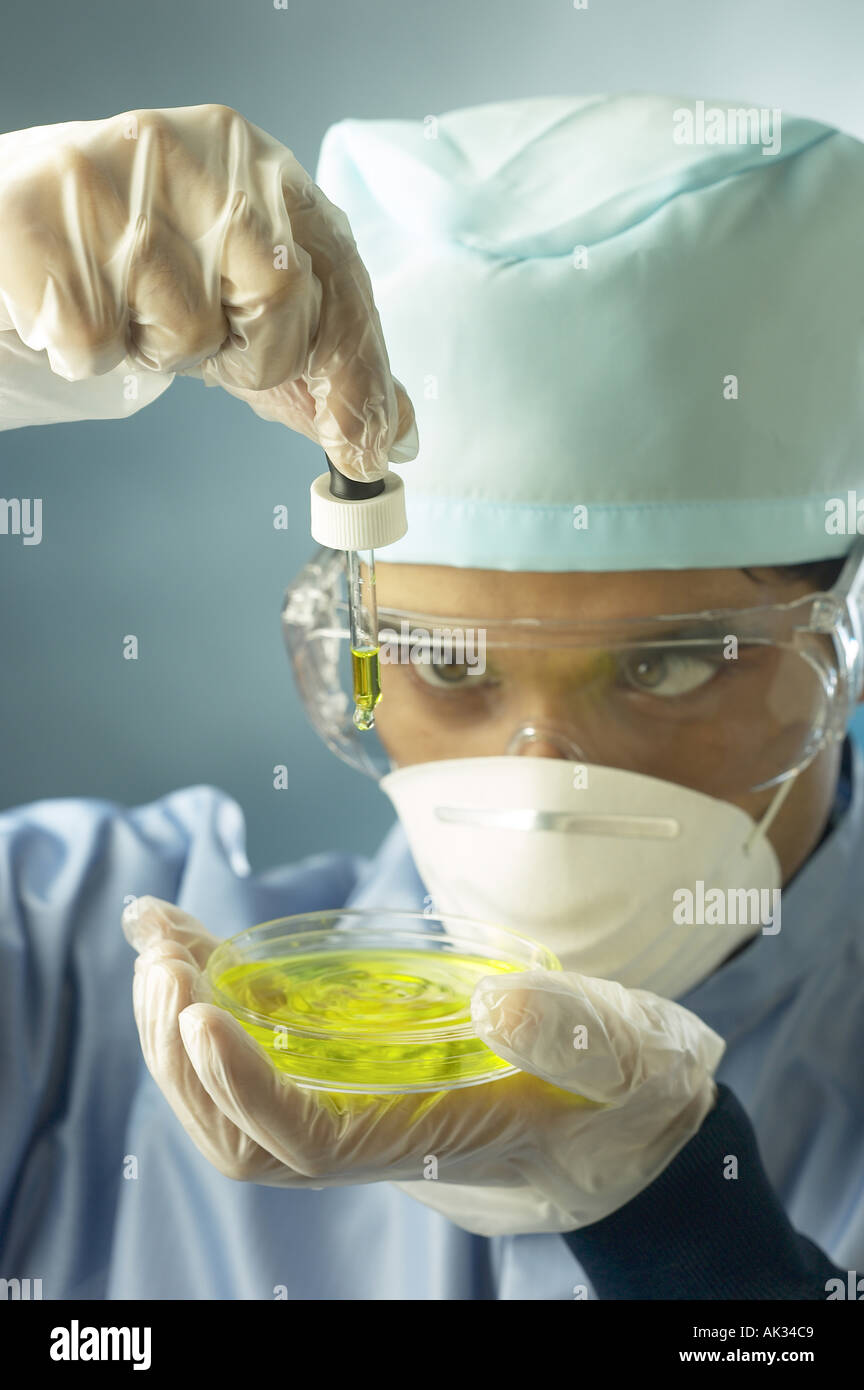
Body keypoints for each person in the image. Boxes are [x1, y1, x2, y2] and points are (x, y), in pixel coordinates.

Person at [1, 95, 863, 1301]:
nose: (541, 777)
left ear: (841, 644)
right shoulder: (73, 977)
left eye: (668, 664)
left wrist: (687, 1237)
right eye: (451, 665)